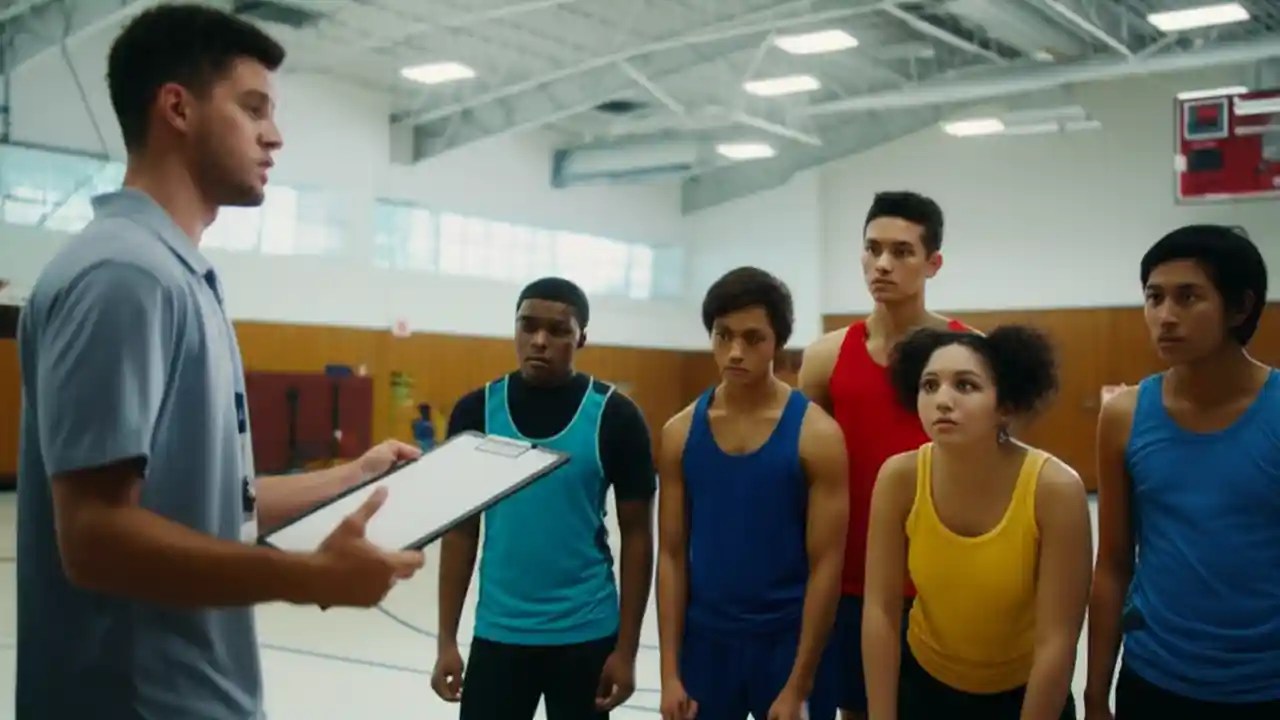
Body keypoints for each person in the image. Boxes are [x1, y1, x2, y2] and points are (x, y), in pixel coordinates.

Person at [14, 5, 425, 720]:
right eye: (253, 107)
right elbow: (97, 539)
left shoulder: (176, 275)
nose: (276, 135)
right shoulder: (125, 275)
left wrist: (351, 480)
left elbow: (209, 507)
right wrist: (308, 577)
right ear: (177, 106)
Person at [430, 277, 656, 720]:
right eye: (527, 326)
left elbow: (638, 539)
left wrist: (626, 651)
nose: (539, 340)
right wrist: (445, 640)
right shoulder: (477, 413)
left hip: (586, 635)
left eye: (558, 331)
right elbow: (459, 532)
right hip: (499, 633)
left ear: (581, 338)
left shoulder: (615, 417)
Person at [1085, 225, 1280, 719]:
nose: (1165, 317)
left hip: (1266, 684)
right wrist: (1094, 692)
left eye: (1188, 297)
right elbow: (1111, 564)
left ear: (1239, 308)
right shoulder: (1124, 416)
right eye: (1154, 298)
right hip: (1156, 679)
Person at [796, 190, 969, 719]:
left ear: (933, 263)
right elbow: (804, 476)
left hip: (945, 581)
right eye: (873, 249)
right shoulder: (826, 357)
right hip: (852, 580)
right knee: (859, 710)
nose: (883, 264)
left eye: (902, 251)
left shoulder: (970, 356)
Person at [863, 325, 1092, 719]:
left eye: (965, 386)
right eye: (929, 386)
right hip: (924, 686)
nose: (942, 401)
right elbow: (880, 610)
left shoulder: (1054, 488)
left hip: (1023, 693)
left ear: (1005, 406)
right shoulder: (899, 478)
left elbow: (1058, 640)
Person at [657, 266, 849, 720]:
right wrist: (669, 674)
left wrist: (798, 684)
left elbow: (827, 565)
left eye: (752, 338)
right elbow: (671, 554)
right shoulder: (679, 433)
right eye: (723, 336)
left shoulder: (817, 436)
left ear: (777, 343)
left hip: (787, 643)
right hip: (706, 646)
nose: (735, 351)